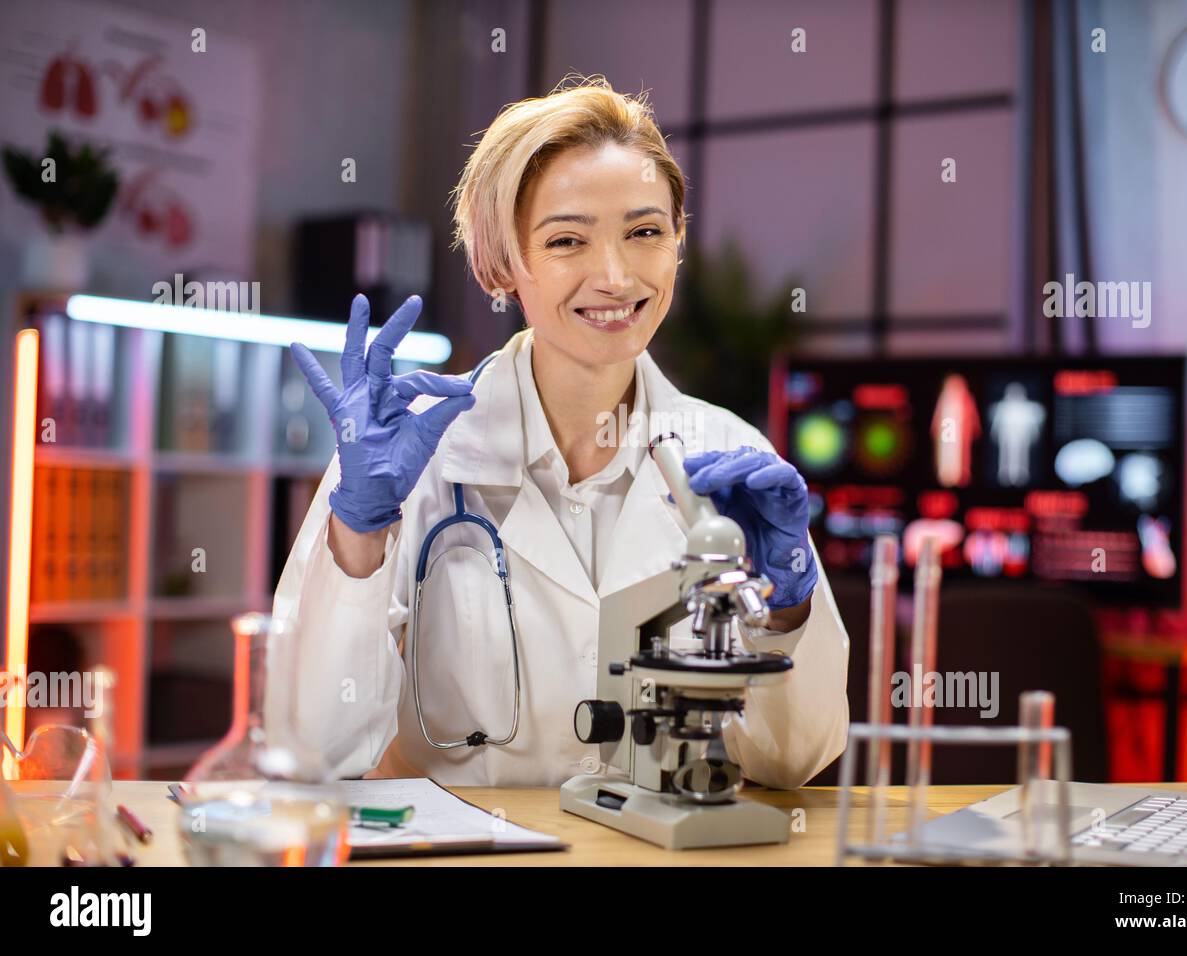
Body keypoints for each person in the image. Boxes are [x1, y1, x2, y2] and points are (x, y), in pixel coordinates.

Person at [273, 76, 850, 788]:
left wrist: (786, 604)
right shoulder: (409, 456)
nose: (613, 276)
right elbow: (311, 755)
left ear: (677, 245)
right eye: (567, 240)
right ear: (502, 264)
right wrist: (358, 533)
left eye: (644, 232)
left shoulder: (727, 454)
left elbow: (796, 762)